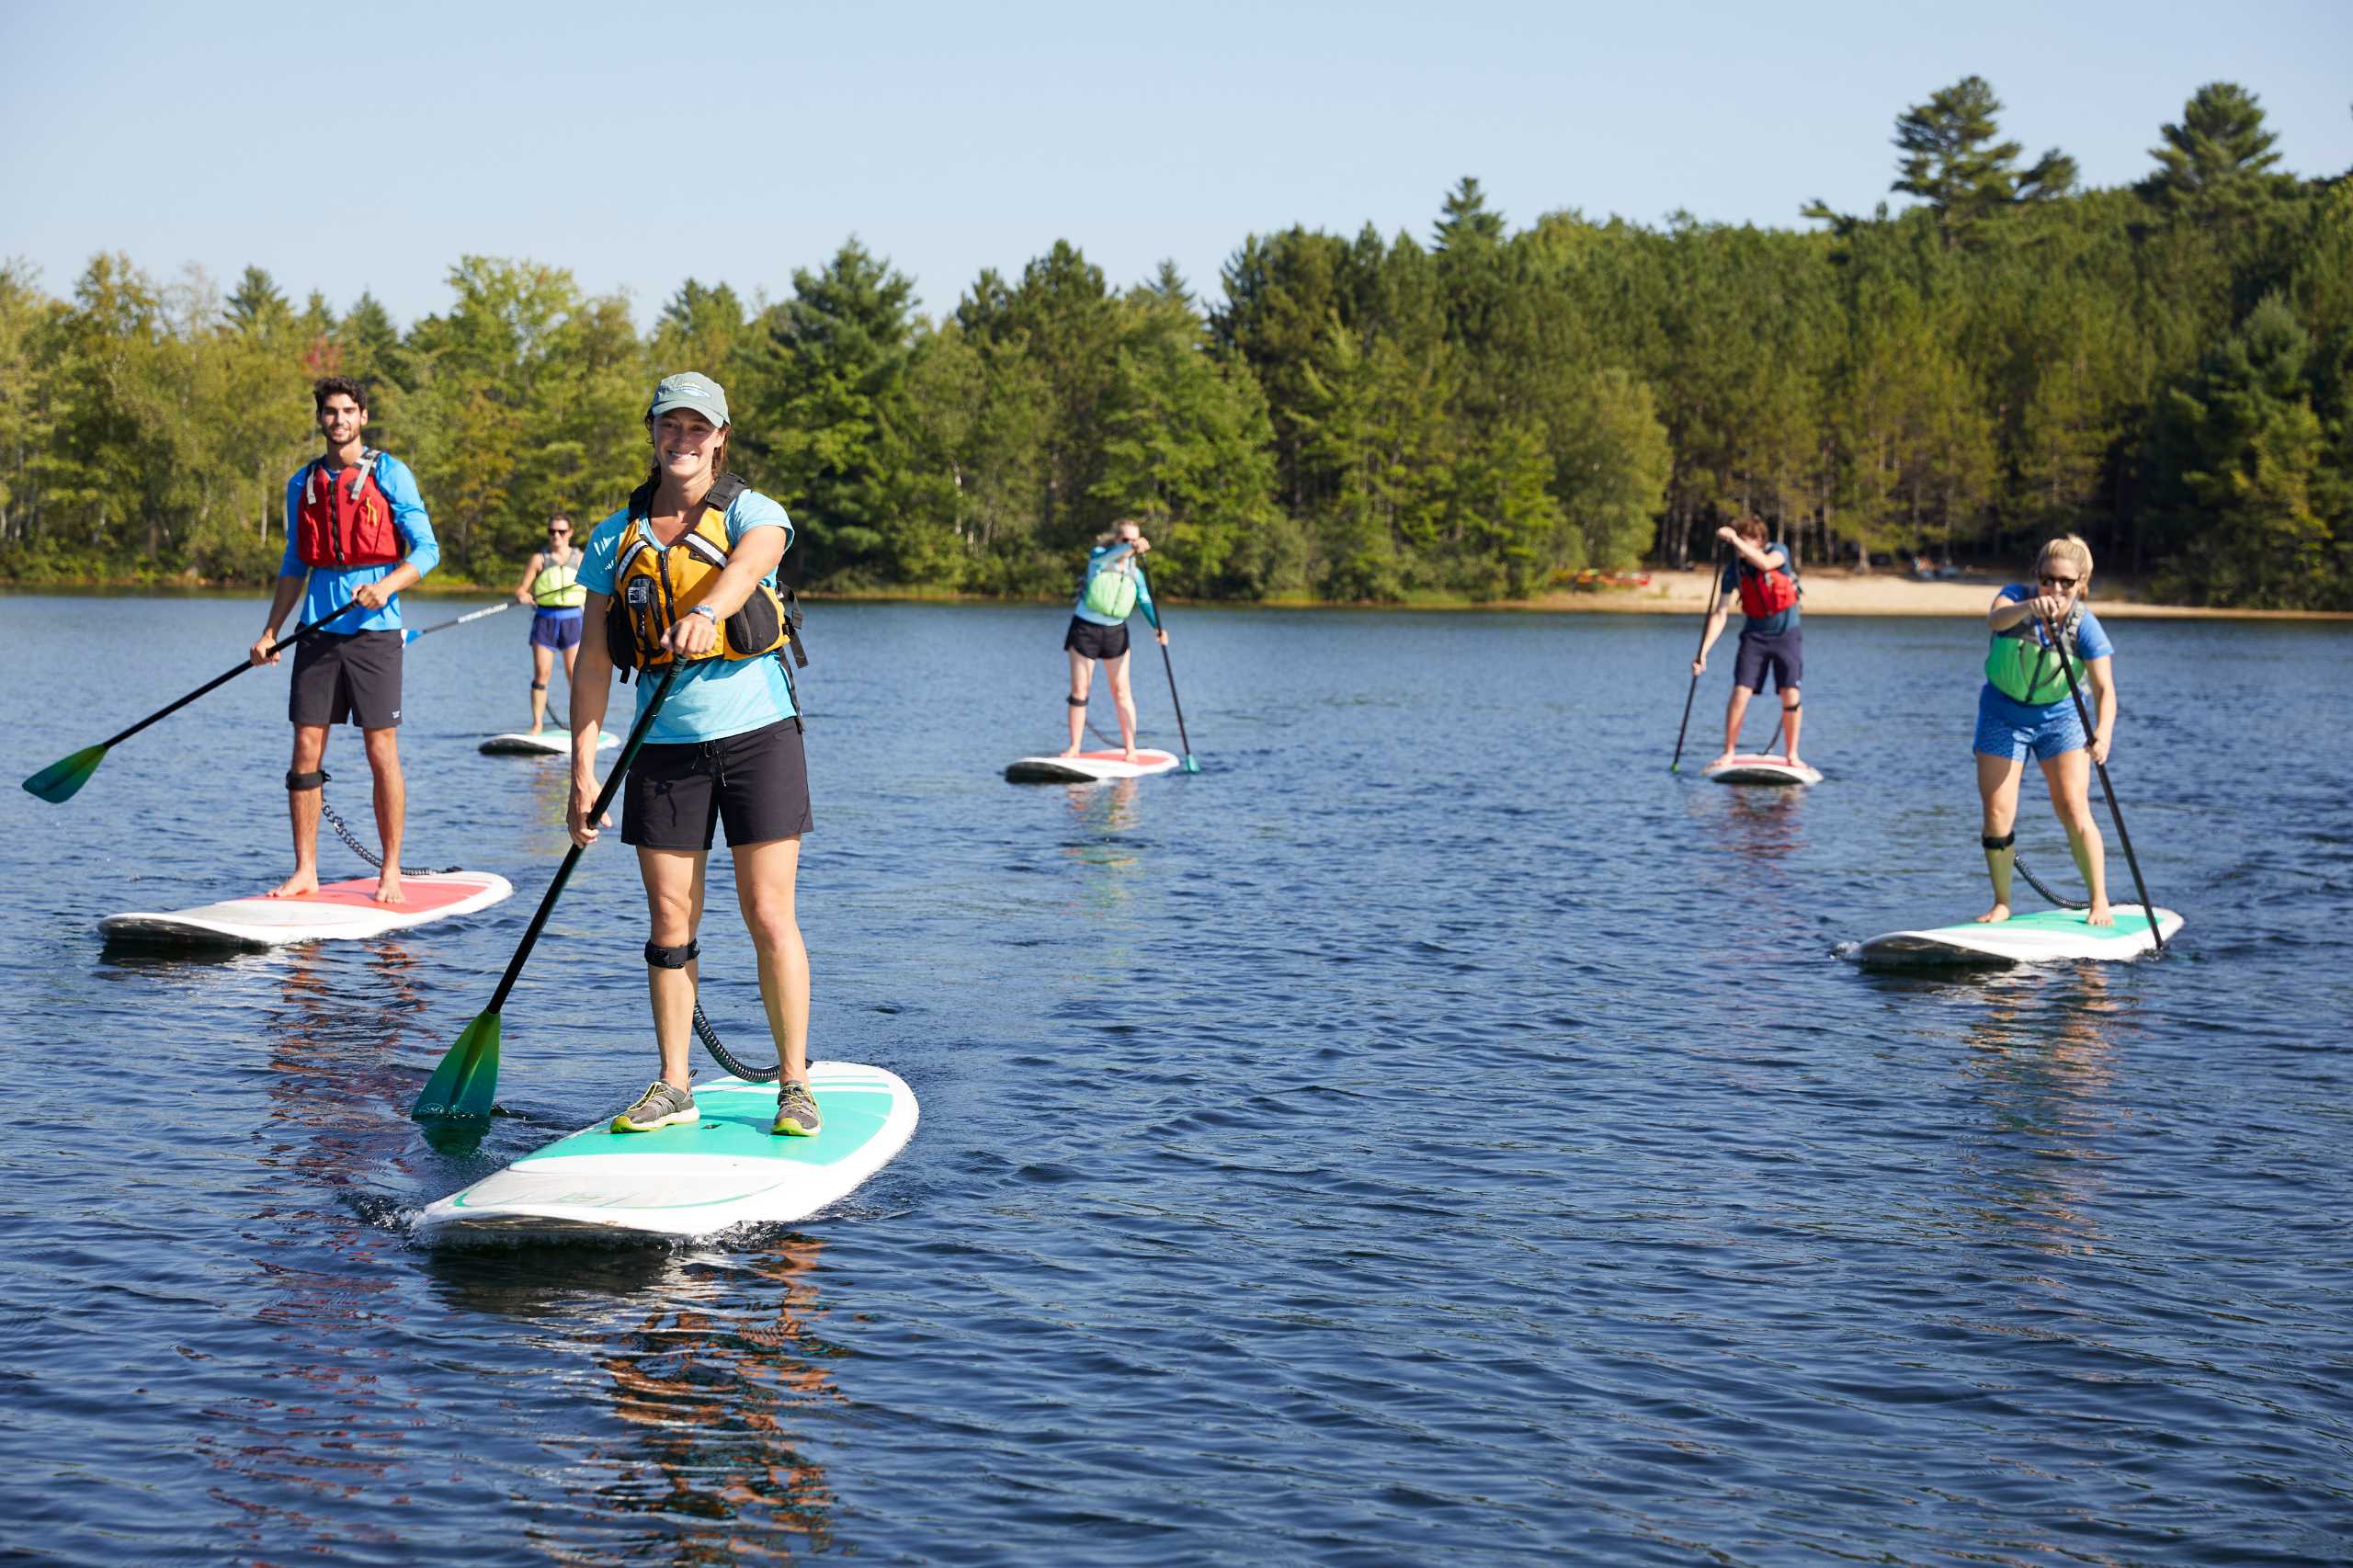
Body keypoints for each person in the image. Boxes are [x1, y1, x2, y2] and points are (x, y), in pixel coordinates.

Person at [569, 372, 821, 1139]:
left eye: (696, 428)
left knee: (768, 912)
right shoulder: (614, 536)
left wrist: (709, 607)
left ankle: (795, 1085)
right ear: (652, 434)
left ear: (720, 437)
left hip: (758, 737)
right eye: (668, 427)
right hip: (662, 749)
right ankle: (676, 1084)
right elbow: (589, 660)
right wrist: (582, 771)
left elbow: (754, 560)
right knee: (669, 918)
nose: (682, 440)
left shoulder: (754, 511)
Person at [247, 376, 439, 904]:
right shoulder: (300, 484)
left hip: (375, 634)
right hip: (316, 633)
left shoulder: (392, 474)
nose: (339, 420)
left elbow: (427, 552)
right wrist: (270, 632)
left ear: (364, 416)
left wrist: (386, 587)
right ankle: (306, 869)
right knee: (305, 749)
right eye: (330, 412)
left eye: (348, 411)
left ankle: (392, 871)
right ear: (320, 419)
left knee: (381, 751)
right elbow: (294, 564)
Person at [1972, 535, 2117, 926]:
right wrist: (2026, 608)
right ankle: (2002, 903)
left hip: (2062, 718)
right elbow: (1995, 619)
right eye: (2048, 579)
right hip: (2002, 714)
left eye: (2066, 583)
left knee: (2073, 806)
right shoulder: (2013, 598)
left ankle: (2099, 901)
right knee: (1998, 813)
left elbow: (2105, 691)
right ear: (2035, 575)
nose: (2055, 588)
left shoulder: (2084, 625)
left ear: (2080, 584)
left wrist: (2102, 733)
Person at [1690, 515, 1804, 769]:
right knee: (1741, 692)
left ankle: (1793, 755)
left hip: (1787, 635)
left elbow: (1765, 564)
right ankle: (1729, 752)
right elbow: (1720, 613)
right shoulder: (1734, 570)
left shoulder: (1778, 552)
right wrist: (1703, 652)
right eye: (1737, 539)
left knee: (1790, 692)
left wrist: (1732, 538)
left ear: (1760, 539)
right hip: (1754, 636)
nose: (1739, 545)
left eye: (1746, 539)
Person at [1061, 519, 1167, 763]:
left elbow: (1145, 601)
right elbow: (1108, 555)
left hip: (1115, 633)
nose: (1131, 545)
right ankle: (1074, 748)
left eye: (1135, 540)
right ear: (1116, 540)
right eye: (1126, 540)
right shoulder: (1099, 557)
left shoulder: (1135, 573)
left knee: (1121, 692)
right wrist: (1131, 548)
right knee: (1080, 691)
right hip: (1085, 629)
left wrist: (1158, 627)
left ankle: (1131, 749)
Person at [512, 512, 585, 733]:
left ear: (570, 533)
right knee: (542, 673)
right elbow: (521, 589)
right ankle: (537, 725)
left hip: (573, 620)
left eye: (561, 531)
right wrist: (522, 595)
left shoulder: (581, 559)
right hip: (545, 620)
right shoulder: (539, 559)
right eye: (552, 531)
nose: (556, 536)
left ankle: (579, 725)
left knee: (575, 674)